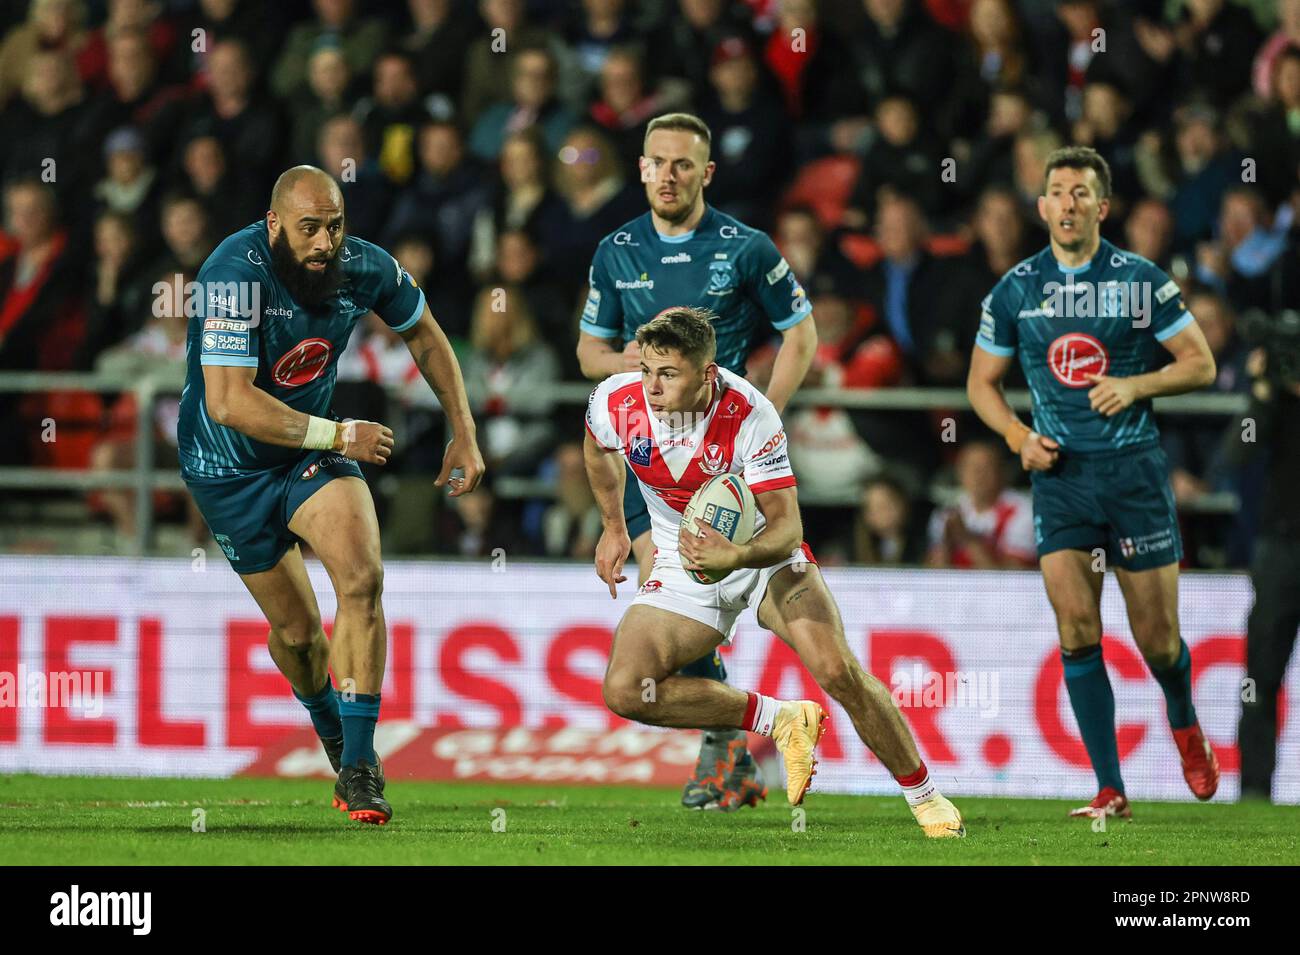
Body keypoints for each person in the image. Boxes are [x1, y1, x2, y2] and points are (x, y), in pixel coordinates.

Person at [177, 166, 484, 825]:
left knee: (362, 578)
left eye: (335, 226)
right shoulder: (233, 274)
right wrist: (340, 431)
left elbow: (426, 333)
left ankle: (362, 764)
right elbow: (230, 403)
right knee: (297, 635)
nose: (324, 243)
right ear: (275, 226)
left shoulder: (364, 268)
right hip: (227, 467)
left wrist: (463, 429)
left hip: (310, 455)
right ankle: (335, 733)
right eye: (309, 228)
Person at [584, 307, 964, 837]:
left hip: (760, 553)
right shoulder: (616, 400)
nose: (651, 386)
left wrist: (736, 558)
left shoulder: (750, 415)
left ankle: (926, 797)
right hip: (680, 554)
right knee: (626, 690)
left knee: (836, 671)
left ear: (706, 374)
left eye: (668, 374)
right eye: (647, 370)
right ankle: (780, 719)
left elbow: (786, 527)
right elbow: (598, 450)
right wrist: (613, 527)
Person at [967, 146, 1221, 819]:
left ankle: (1184, 715)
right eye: (1058, 191)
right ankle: (1110, 787)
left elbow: (1200, 363)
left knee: (1158, 636)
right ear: (1042, 205)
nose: (1069, 203)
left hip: (1133, 474)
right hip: (1061, 475)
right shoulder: (1016, 289)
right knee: (1077, 623)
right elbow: (980, 384)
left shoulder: (1141, 282)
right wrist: (1019, 438)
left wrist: (1137, 382)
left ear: (1102, 207)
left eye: (1082, 193)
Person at [575, 112, 818, 811]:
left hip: (724, 465)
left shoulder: (744, 247)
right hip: (650, 458)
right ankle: (737, 756)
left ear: (707, 172)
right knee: (672, 603)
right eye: (658, 161)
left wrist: (763, 416)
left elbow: (800, 334)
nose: (670, 174)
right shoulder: (615, 250)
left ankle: (730, 757)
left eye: (684, 163)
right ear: (642, 167)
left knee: (708, 594)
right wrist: (636, 365)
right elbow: (590, 352)